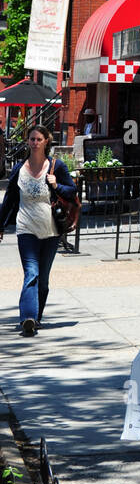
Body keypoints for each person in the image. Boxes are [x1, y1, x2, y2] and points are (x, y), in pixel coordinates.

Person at [0, 126, 78, 335]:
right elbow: (9, 200)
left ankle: (37, 317)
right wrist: (0, 224)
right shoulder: (19, 168)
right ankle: (28, 317)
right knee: (31, 273)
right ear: (28, 142)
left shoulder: (56, 167)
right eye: (32, 139)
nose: (35, 143)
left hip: (51, 231)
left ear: (46, 141)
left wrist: (57, 186)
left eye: (39, 139)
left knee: (42, 279)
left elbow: (72, 192)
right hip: (25, 228)